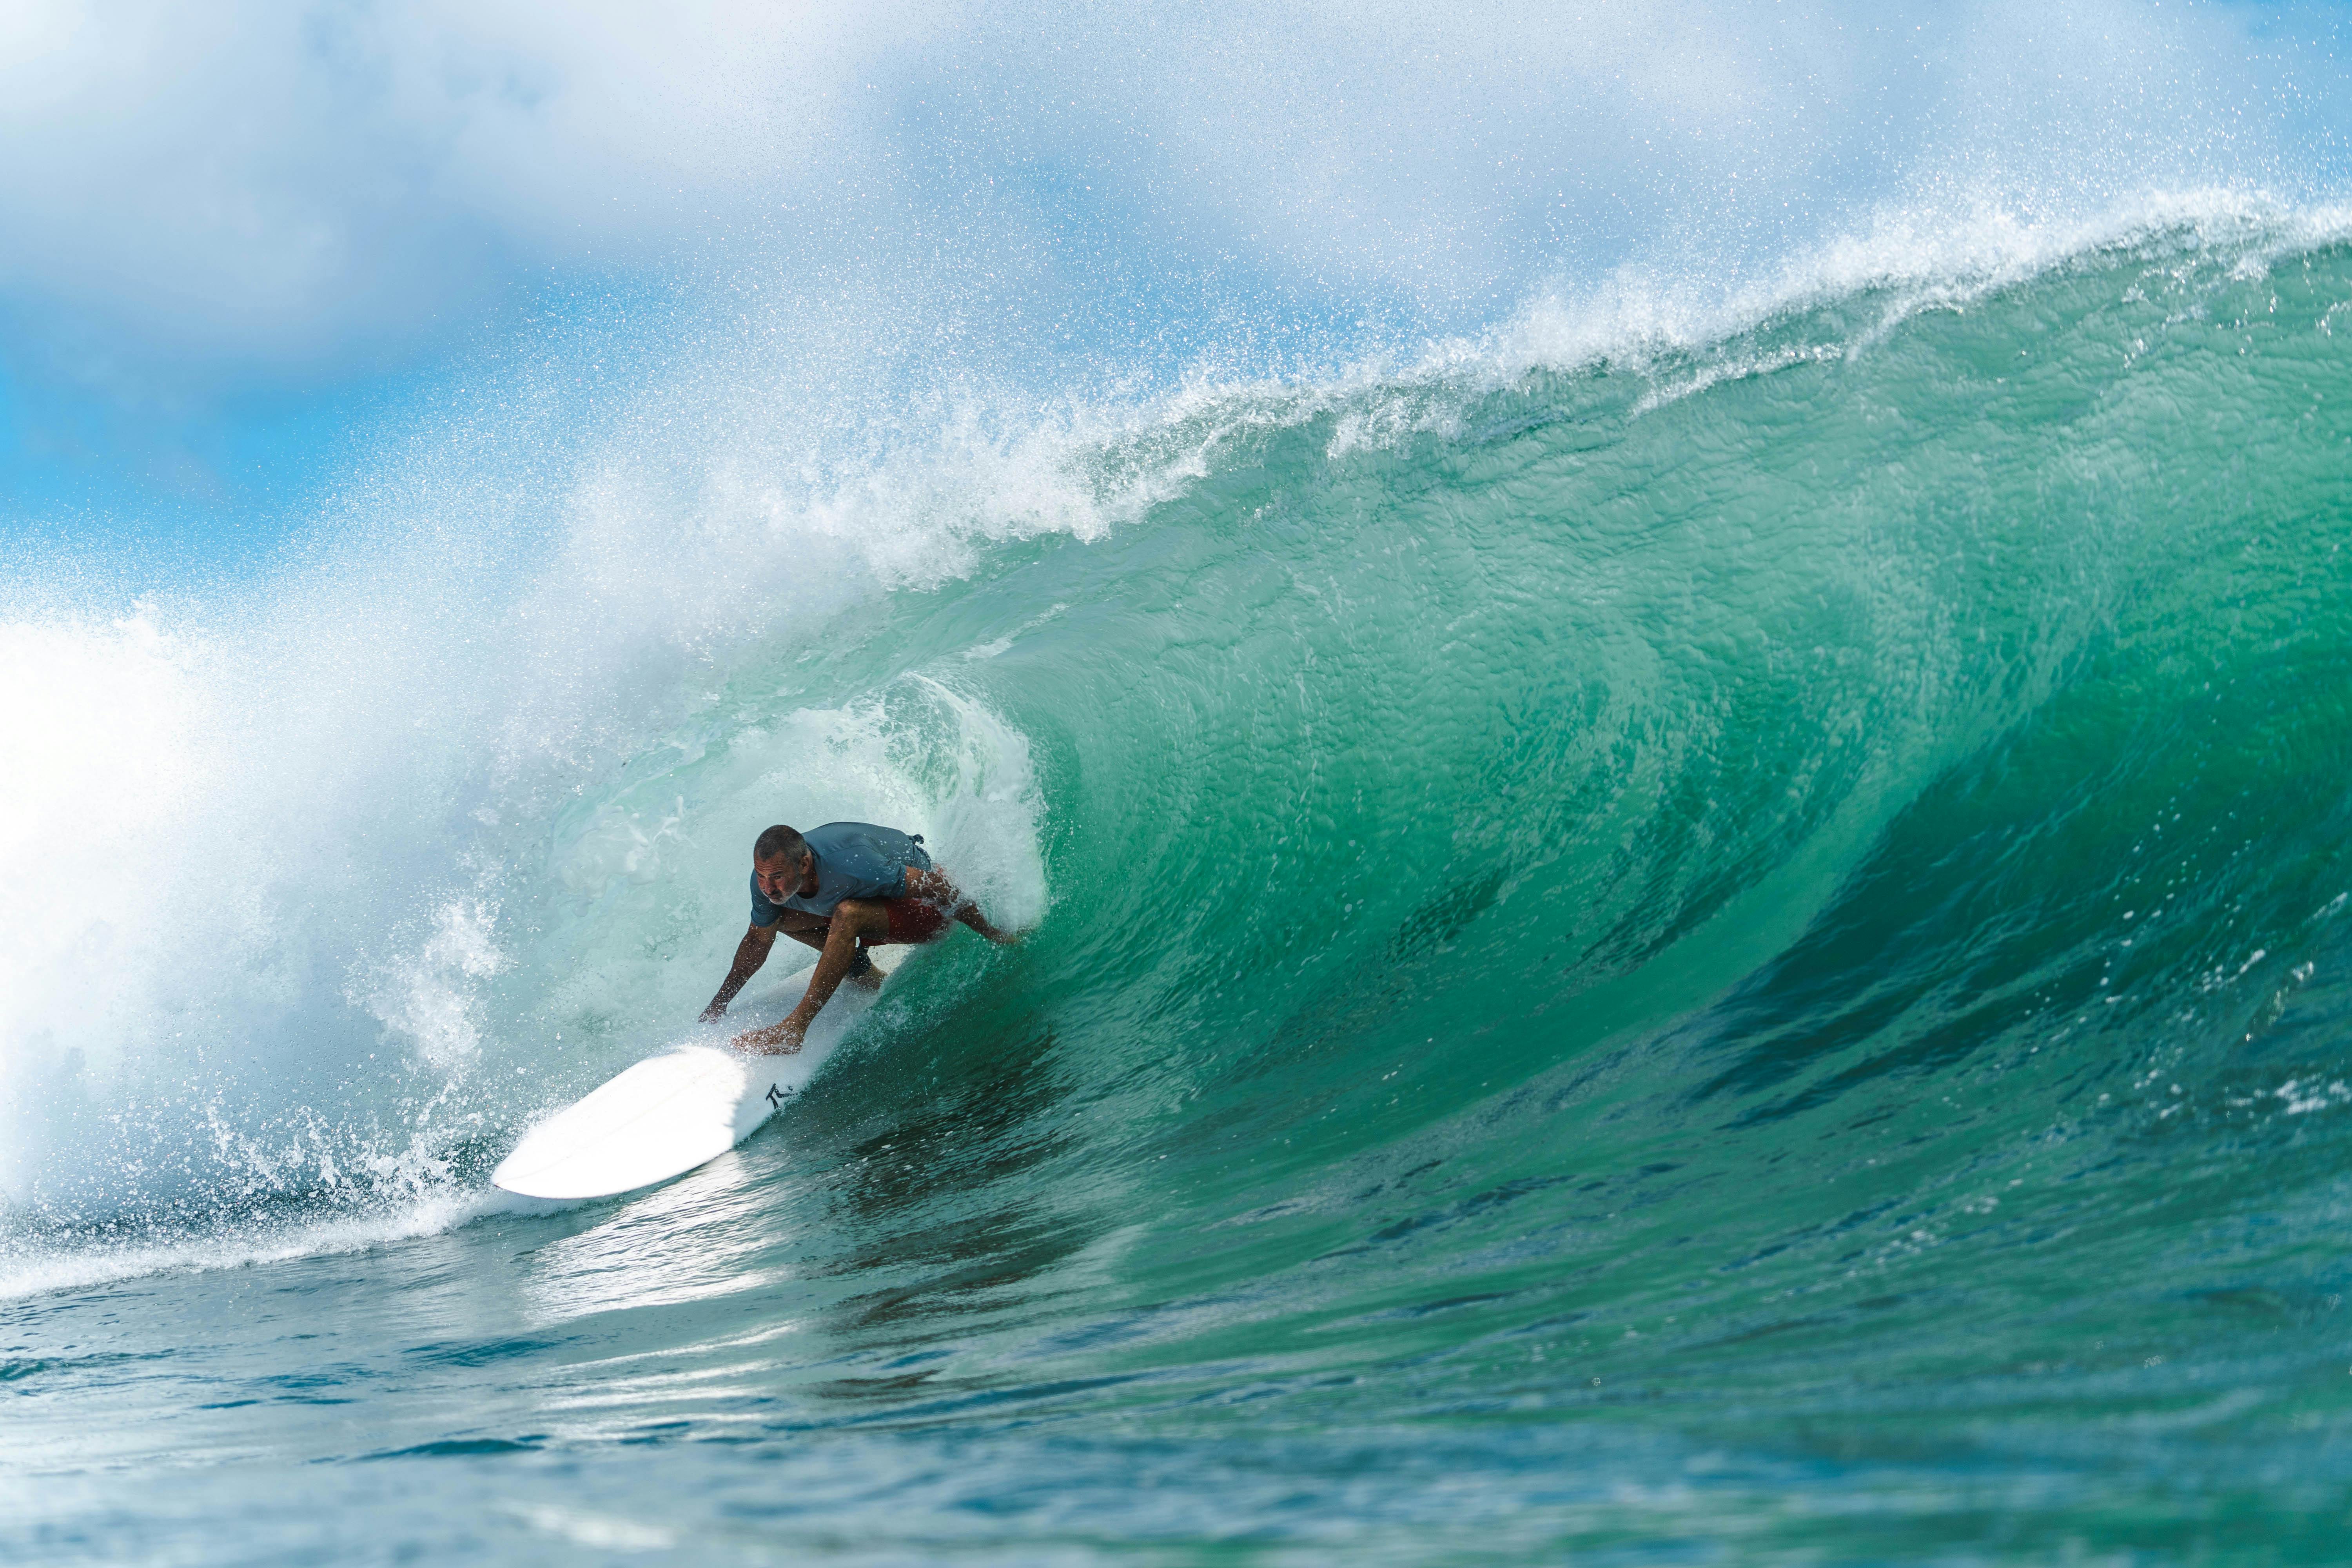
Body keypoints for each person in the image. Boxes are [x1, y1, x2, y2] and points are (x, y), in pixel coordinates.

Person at [700, 821, 1018, 1054]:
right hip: (877, 912)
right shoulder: (767, 885)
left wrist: (993, 933)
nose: (768, 888)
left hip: (926, 913)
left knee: (848, 913)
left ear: (805, 863)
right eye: (762, 876)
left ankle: (794, 1029)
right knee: (776, 918)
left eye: (778, 877)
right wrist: (719, 1006)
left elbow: (941, 888)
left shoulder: (854, 863)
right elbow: (756, 943)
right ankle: (862, 972)